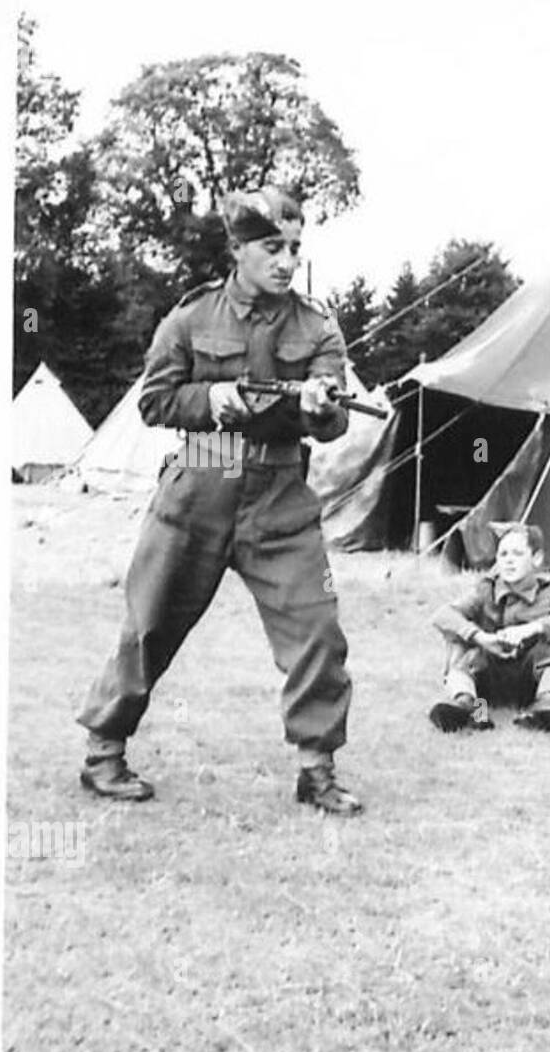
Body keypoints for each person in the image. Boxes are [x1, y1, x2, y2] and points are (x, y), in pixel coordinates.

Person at [77, 187, 363, 815]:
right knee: (150, 623)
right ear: (237, 249)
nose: (286, 261)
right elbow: (155, 401)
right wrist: (209, 402)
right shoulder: (190, 318)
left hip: (280, 493)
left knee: (316, 628)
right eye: (271, 248)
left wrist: (320, 408)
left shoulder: (317, 325)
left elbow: (336, 418)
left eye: (294, 248)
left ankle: (317, 769)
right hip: (200, 481)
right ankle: (103, 751)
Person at [429, 523, 550, 734]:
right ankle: (470, 706)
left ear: (536, 558)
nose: (509, 560)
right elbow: (443, 615)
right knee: (458, 639)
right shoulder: (486, 590)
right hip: (490, 681)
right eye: (503, 554)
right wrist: (480, 637)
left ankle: (546, 704)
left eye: (517, 553)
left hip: (532, 681)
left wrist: (534, 628)